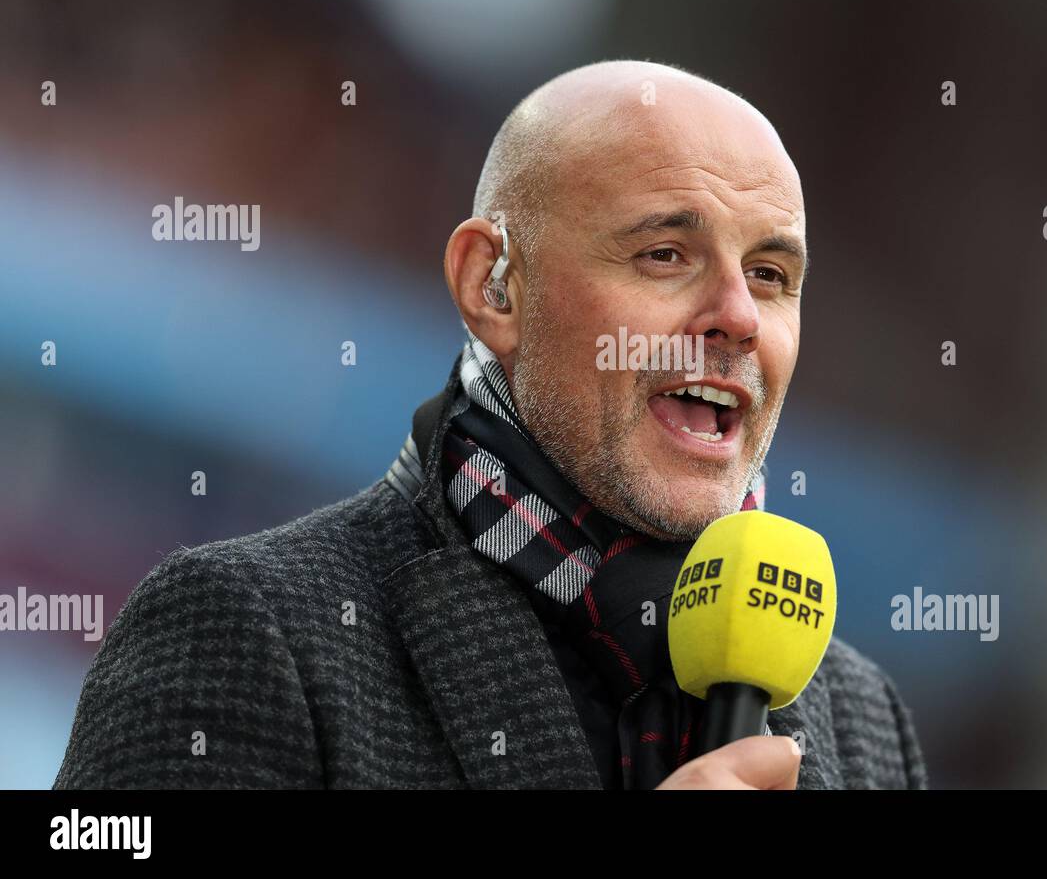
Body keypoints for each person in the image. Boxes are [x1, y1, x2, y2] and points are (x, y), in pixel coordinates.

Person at [54, 60, 926, 790]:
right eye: (665, 254)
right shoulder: (242, 631)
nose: (737, 316)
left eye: (771, 274)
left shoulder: (865, 723)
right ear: (493, 286)